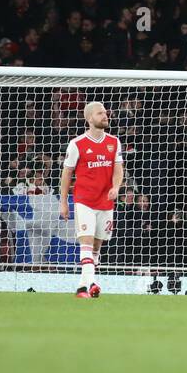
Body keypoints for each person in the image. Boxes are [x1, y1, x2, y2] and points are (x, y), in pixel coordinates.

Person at [59, 101, 124, 298]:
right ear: (89, 119)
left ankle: (83, 286)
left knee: (96, 247)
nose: (105, 116)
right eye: (100, 113)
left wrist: (116, 187)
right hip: (84, 200)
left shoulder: (114, 141)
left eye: (105, 112)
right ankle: (93, 284)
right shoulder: (77, 143)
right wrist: (63, 202)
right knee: (85, 243)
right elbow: (66, 173)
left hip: (106, 203)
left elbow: (118, 168)